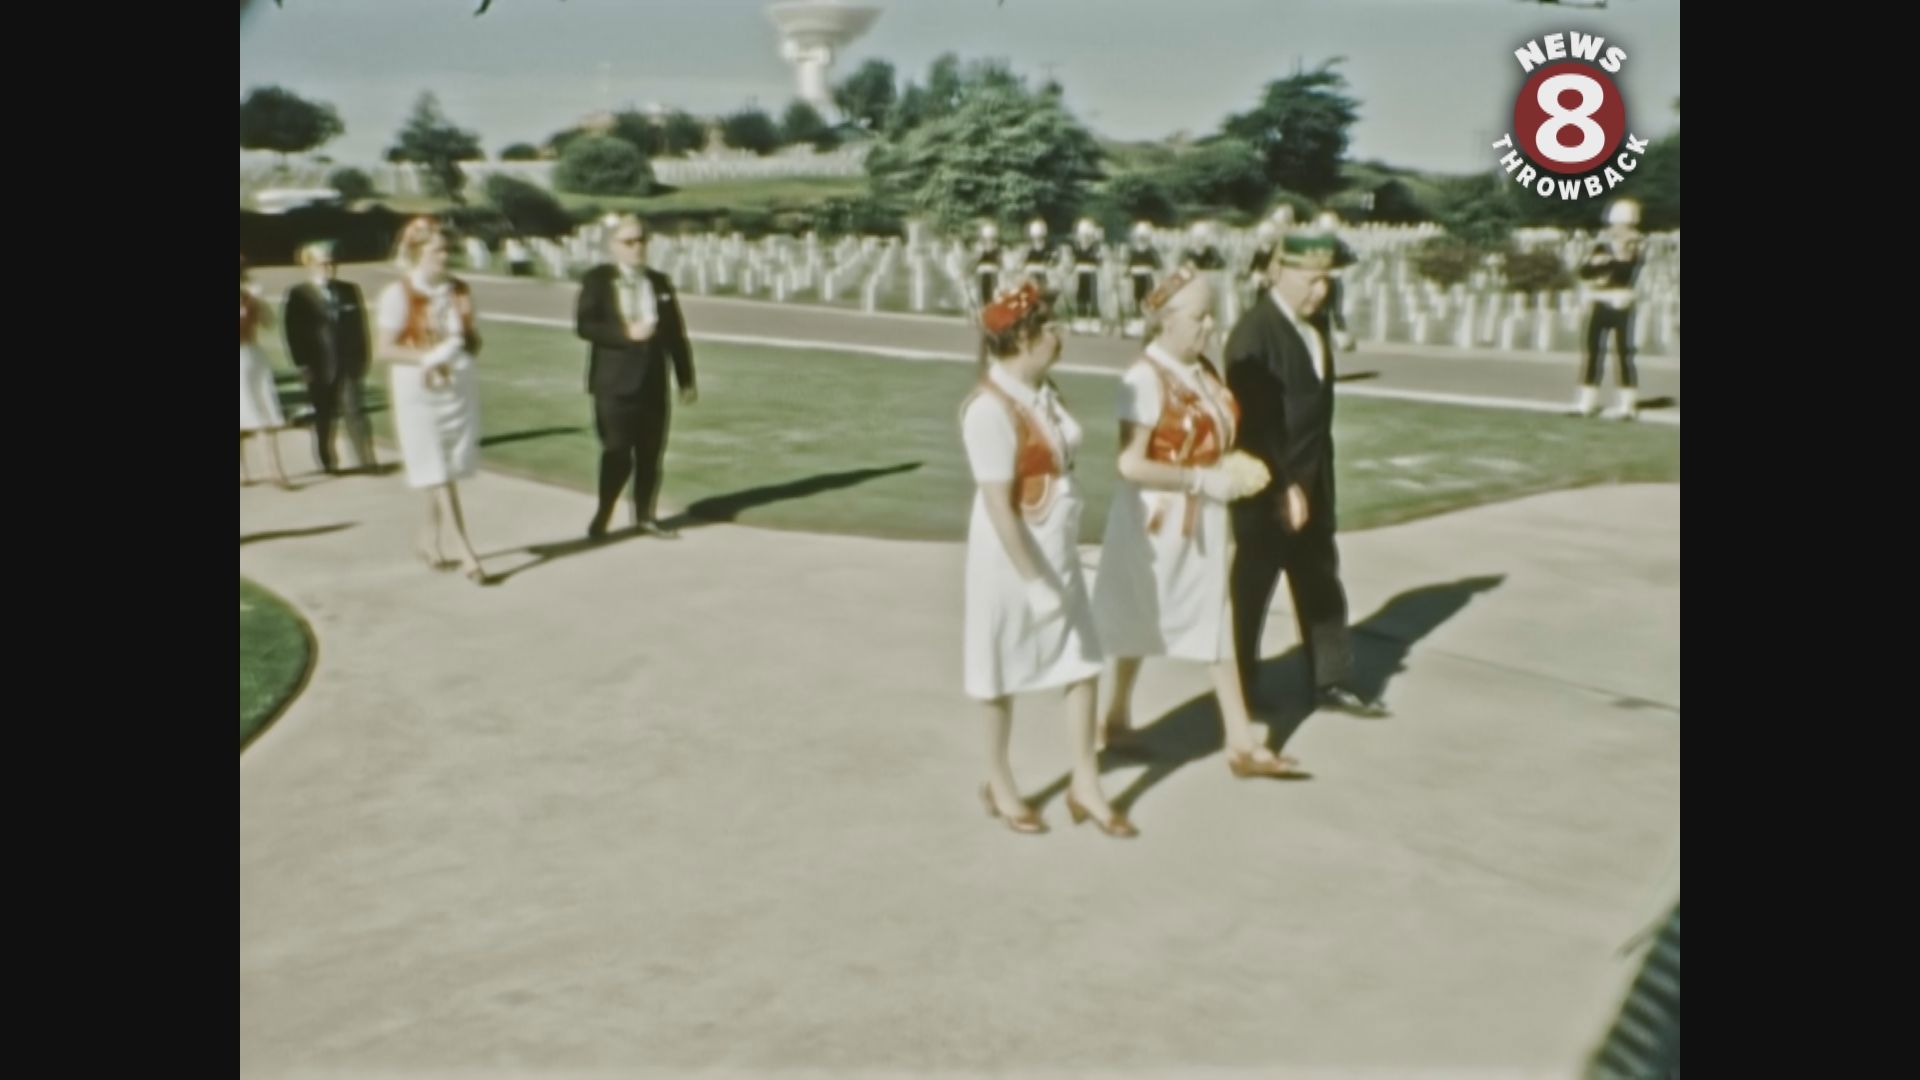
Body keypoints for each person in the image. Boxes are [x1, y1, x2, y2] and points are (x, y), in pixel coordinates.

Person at [1090, 267, 1306, 778]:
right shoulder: (1143, 379)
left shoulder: (1202, 369)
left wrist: (1228, 471)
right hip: (1159, 522)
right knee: (1183, 619)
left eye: (1211, 314)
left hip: (1203, 517)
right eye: (1198, 316)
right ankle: (1239, 741)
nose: (1210, 325)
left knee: (1191, 616)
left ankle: (1120, 719)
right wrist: (1198, 480)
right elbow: (1130, 464)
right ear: (1165, 321)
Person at [961, 280, 1134, 838]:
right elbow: (996, 504)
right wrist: (1033, 581)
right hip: (1010, 559)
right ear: (1021, 339)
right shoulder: (987, 410)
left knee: (1082, 661)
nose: (1061, 334)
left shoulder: (1043, 391)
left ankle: (1086, 782)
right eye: (1050, 327)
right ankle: (999, 779)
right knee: (999, 668)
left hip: (1054, 545)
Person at [1226, 233, 1389, 721]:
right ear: (1279, 271)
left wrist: (1311, 486)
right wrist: (1283, 488)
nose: (1321, 290)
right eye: (1311, 279)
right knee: (1252, 590)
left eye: (1327, 280)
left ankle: (1331, 679)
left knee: (1320, 580)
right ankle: (1240, 690)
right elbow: (1252, 425)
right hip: (1268, 486)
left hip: (1315, 480)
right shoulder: (1255, 334)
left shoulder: (1313, 327)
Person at [373, 218, 488, 584]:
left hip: (454, 388)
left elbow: (472, 340)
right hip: (417, 390)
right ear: (416, 252)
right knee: (436, 469)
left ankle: (428, 540)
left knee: (442, 469)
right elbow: (385, 348)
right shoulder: (398, 293)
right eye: (437, 249)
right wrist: (429, 357)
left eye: (447, 249)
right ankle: (466, 551)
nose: (445, 255)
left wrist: (460, 346)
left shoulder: (457, 290)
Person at [575, 215, 699, 540]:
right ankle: (604, 512)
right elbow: (585, 325)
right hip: (613, 384)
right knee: (616, 451)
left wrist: (685, 378)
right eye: (628, 242)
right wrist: (625, 333)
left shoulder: (659, 282)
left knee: (650, 454)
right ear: (613, 245)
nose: (637, 248)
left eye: (641, 240)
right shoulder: (598, 280)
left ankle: (645, 515)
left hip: (653, 382)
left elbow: (676, 334)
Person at [283, 241, 376, 475]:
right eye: (322, 264)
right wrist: (302, 364)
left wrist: (363, 357)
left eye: (331, 263)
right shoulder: (299, 295)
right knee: (324, 415)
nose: (328, 268)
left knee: (355, 412)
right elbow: (293, 332)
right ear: (310, 265)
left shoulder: (349, 290)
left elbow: (360, 326)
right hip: (319, 366)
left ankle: (366, 460)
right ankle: (328, 461)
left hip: (348, 363)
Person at [1574, 198, 1646, 420]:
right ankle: (1587, 402)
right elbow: (1585, 271)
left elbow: (1624, 270)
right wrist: (1601, 265)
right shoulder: (1602, 245)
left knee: (1623, 353)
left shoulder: (1636, 245)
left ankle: (1627, 405)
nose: (1617, 230)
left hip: (1621, 301)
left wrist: (1605, 264)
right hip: (1600, 299)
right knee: (1593, 351)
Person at [239, 256, 292, 490]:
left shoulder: (250, 294)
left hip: (252, 354)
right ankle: (243, 472)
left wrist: (258, 302)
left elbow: (268, 323)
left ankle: (274, 470)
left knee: (265, 411)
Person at [1066, 218, 1106, 335]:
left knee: (1092, 297)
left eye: (1087, 236)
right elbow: (1072, 262)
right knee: (1080, 297)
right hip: (1079, 274)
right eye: (1083, 236)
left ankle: (1094, 322)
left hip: (1091, 273)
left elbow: (1100, 261)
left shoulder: (1095, 247)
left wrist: (1099, 255)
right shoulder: (1076, 248)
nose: (1085, 238)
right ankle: (1081, 321)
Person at [1124, 221, 1160, 338]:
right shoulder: (1133, 251)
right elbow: (1128, 265)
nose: (1141, 239)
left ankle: (1147, 325)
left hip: (1146, 277)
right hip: (1135, 278)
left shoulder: (1151, 251)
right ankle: (1135, 325)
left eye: (1144, 237)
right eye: (1139, 237)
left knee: (1147, 301)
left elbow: (1158, 265)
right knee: (1135, 301)